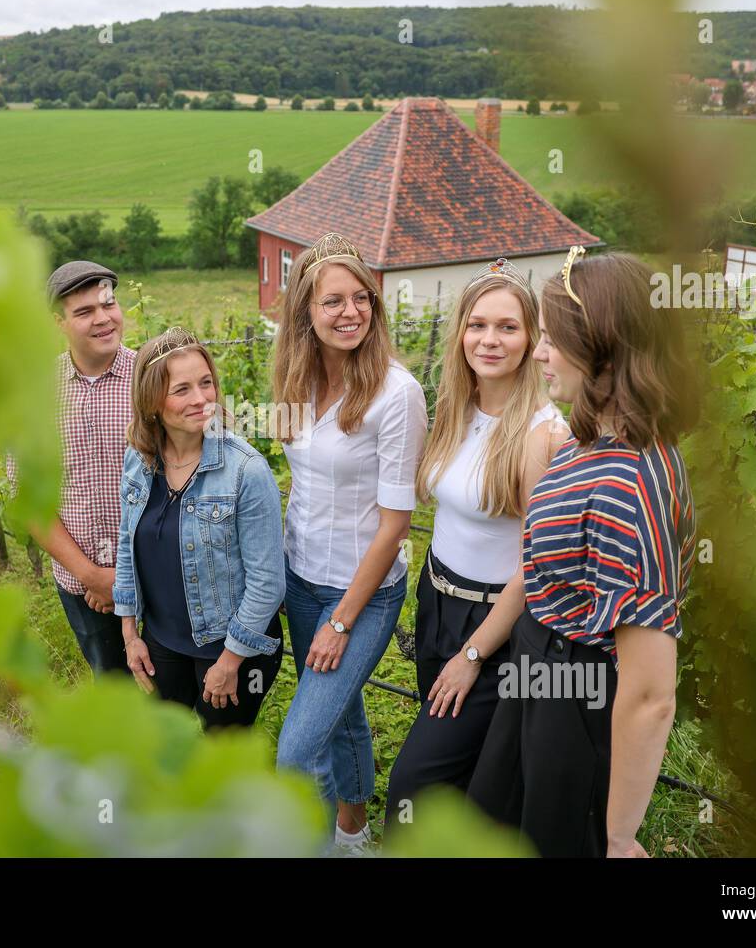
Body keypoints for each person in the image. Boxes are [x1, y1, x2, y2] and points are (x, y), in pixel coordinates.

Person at [467, 248, 699, 857]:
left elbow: (651, 695)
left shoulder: (630, 480)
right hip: (540, 670)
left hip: (577, 694)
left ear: (602, 343)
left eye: (552, 339)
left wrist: (618, 836)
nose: (538, 353)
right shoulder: (593, 437)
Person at [384, 258, 568, 840]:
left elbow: (535, 565)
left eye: (508, 327)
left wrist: (473, 655)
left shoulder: (544, 433)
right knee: (464, 779)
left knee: (414, 783)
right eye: (478, 324)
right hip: (438, 601)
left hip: (496, 627)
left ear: (532, 338)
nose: (490, 340)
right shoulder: (456, 408)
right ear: (461, 330)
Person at [270, 232, 428, 852]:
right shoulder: (295, 377)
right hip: (300, 578)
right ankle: (354, 834)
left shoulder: (397, 393)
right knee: (343, 717)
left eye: (361, 298)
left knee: (297, 748)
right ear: (305, 313)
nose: (350, 312)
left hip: (362, 595)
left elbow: (394, 526)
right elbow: (297, 479)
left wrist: (341, 620)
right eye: (332, 301)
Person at [113, 327, 285, 728]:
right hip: (162, 641)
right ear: (152, 400)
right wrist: (129, 633)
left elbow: (267, 584)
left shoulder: (246, 471)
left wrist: (229, 663)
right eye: (182, 389)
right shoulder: (139, 460)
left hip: (230, 648)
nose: (201, 399)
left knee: (220, 761)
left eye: (206, 383)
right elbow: (126, 545)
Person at [41, 260, 135, 675]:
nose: (103, 319)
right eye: (84, 312)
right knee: (114, 691)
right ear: (59, 322)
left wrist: (130, 578)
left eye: (108, 305)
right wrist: (92, 576)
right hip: (82, 586)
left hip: (163, 577)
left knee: (172, 695)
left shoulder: (153, 376)